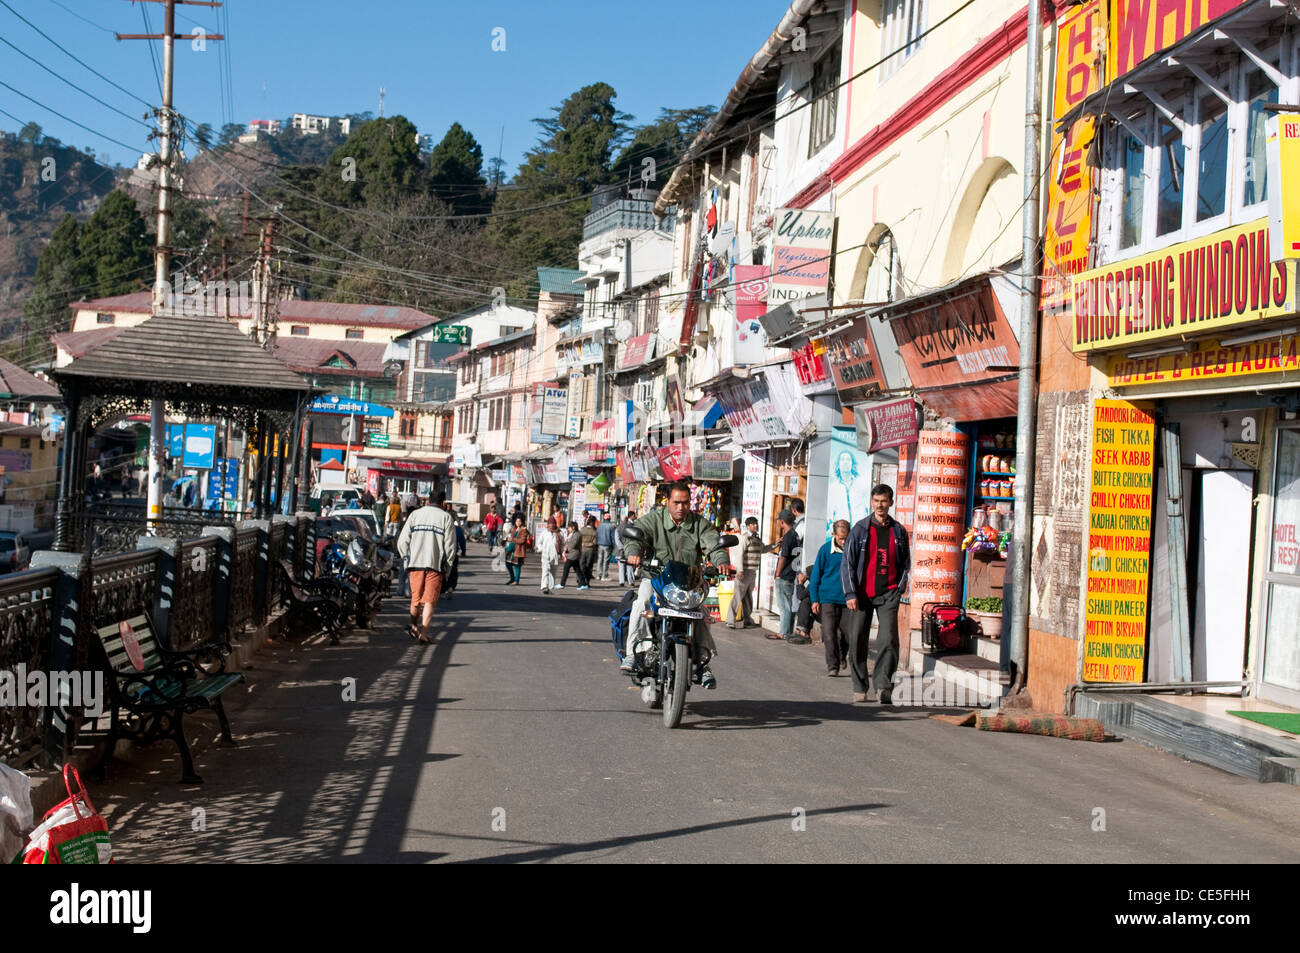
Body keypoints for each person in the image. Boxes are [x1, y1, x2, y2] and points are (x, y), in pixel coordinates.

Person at [620, 481, 732, 687]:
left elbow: (713, 544)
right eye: (677, 503)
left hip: (688, 582)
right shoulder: (653, 520)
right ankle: (634, 652)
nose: (681, 507)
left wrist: (721, 561)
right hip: (656, 578)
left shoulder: (699, 524)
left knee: (702, 615)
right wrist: (634, 553)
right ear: (667, 501)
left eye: (686, 503)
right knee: (642, 602)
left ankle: (703, 661)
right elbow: (636, 538)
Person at [841, 484, 911, 704]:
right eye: (877, 501)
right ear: (872, 502)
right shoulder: (860, 529)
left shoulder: (898, 531)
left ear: (891, 502)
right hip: (861, 595)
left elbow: (905, 562)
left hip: (889, 593)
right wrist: (850, 593)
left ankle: (883, 685)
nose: (880, 505)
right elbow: (848, 564)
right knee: (857, 639)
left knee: (889, 639)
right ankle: (859, 685)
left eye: (884, 501)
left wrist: (899, 587)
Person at [397, 490, 458, 644]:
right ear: (443, 502)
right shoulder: (446, 518)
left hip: (415, 564)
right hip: (435, 566)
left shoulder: (415, 515)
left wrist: (406, 559)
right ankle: (424, 633)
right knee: (429, 601)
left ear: (427, 501)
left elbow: (402, 541)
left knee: (415, 600)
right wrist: (448, 568)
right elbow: (450, 547)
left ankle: (414, 627)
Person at [810, 520, 853, 676]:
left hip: (848, 600)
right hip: (827, 599)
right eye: (841, 538)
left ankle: (842, 655)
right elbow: (815, 576)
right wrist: (814, 599)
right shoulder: (825, 551)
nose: (843, 541)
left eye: (846, 538)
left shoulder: (853, 550)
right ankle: (832, 666)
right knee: (829, 633)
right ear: (833, 535)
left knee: (848, 634)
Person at [771, 510, 809, 644]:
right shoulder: (796, 535)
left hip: (785, 575)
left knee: (784, 606)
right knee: (788, 604)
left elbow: (784, 556)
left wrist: (777, 573)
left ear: (782, 522)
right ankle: (787, 631)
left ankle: (784, 632)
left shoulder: (788, 536)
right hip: (791, 573)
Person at [726, 516, 765, 629]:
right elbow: (739, 554)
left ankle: (747, 619)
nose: (755, 526)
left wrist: (775, 545)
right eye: (752, 524)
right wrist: (740, 570)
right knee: (737, 596)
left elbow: (763, 549)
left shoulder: (756, 539)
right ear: (748, 526)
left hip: (752, 572)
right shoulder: (745, 538)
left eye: (756, 524)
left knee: (748, 597)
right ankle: (730, 620)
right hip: (744, 571)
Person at [535, 517, 562, 594]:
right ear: (547, 525)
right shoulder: (544, 533)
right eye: (550, 524)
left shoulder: (559, 533)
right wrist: (541, 549)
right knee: (545, 570)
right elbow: (539, 543)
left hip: (555, 556)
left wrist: (562, 553)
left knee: (553, 572)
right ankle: (544, 586)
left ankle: (550, 587)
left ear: (555, 524)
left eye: (553, 524)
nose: (551, 526)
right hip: (545, 555)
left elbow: (562, 544)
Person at [559, 521, 588, 590]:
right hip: (573, 554)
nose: (568, 529)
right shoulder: (573, 534)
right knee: (578, 570)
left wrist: (567, 544)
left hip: (573, 554)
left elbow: (573, 544)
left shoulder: (577, 534)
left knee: (566, 569)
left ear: (573, 527)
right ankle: (584, 584)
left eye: (569, 527)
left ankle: (562, 584)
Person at [504, 515, 530, 585]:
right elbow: (511, 538)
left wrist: (512, 539)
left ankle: (516, 580)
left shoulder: (524, 530)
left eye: (519, 521)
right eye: (516, 521)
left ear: (522, 522)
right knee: (508, 564)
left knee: (517, 566)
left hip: (519, 550)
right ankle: (512, 578)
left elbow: (522, 540)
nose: (518, 522)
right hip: (512, 550)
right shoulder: (514, 529)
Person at [615, 510, 637, 587]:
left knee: (621, 566)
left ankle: (621, 581)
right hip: (629, 549)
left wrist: (621, 547)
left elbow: (616, 539)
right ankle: (631, 581)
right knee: (629, 566)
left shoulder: (618, 528)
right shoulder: (631, 527)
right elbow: (632, 539)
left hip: (620, 550)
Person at [595, 513, 616, 581]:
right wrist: (614, 545)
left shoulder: (599, 526)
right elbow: (613, 537)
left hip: (600, 544)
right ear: (609, 519)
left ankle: (598, 575)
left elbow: (597, 535)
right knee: (605, 561)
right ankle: (604, 576)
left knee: (600, 560)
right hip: (608, 545)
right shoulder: (611, 526)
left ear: (604, 518)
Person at [579, 515, 598, 584]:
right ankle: (587, 582)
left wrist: (582, 544)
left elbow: (579, 540)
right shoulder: (594, 532)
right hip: (590, 551)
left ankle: (580, 579)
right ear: (592, 523)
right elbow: (594, 543)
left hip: (582, 550)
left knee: (581, 565)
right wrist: (588, 545)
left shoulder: (582, 530)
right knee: (589, 566)